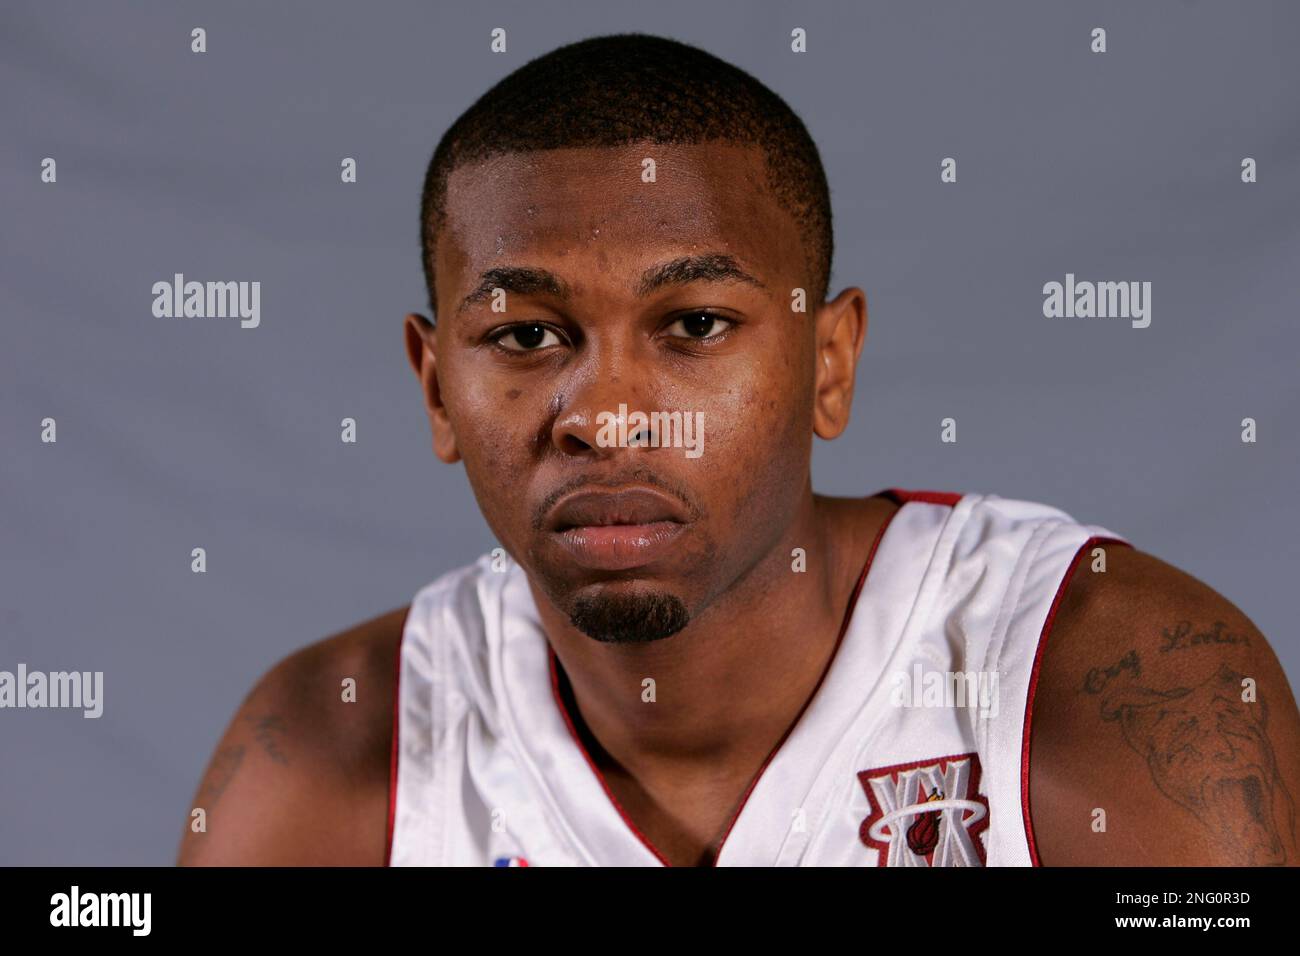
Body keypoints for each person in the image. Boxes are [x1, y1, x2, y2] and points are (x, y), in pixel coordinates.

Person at [177, 33, 1299, 867]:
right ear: (435, 386)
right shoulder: (327, 757)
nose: (606, 416)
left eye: (695, 325)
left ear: (827, 361)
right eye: (525, 335)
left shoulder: (1117, 688)